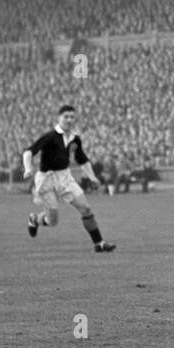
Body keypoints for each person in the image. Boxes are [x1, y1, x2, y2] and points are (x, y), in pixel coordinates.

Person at [22, 104, 117, 253]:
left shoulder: (75, 138)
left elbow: (82, 159)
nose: (69, 119)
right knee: (53, 221)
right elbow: (28, 152)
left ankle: (99, 244)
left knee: (86, 208)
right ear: (59, 118)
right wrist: (28, 168)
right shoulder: (50, 136)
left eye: (72, 117)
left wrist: (92, 177)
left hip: (65, 176)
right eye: (66, 117)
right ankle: (35, 219)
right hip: (46, 179)